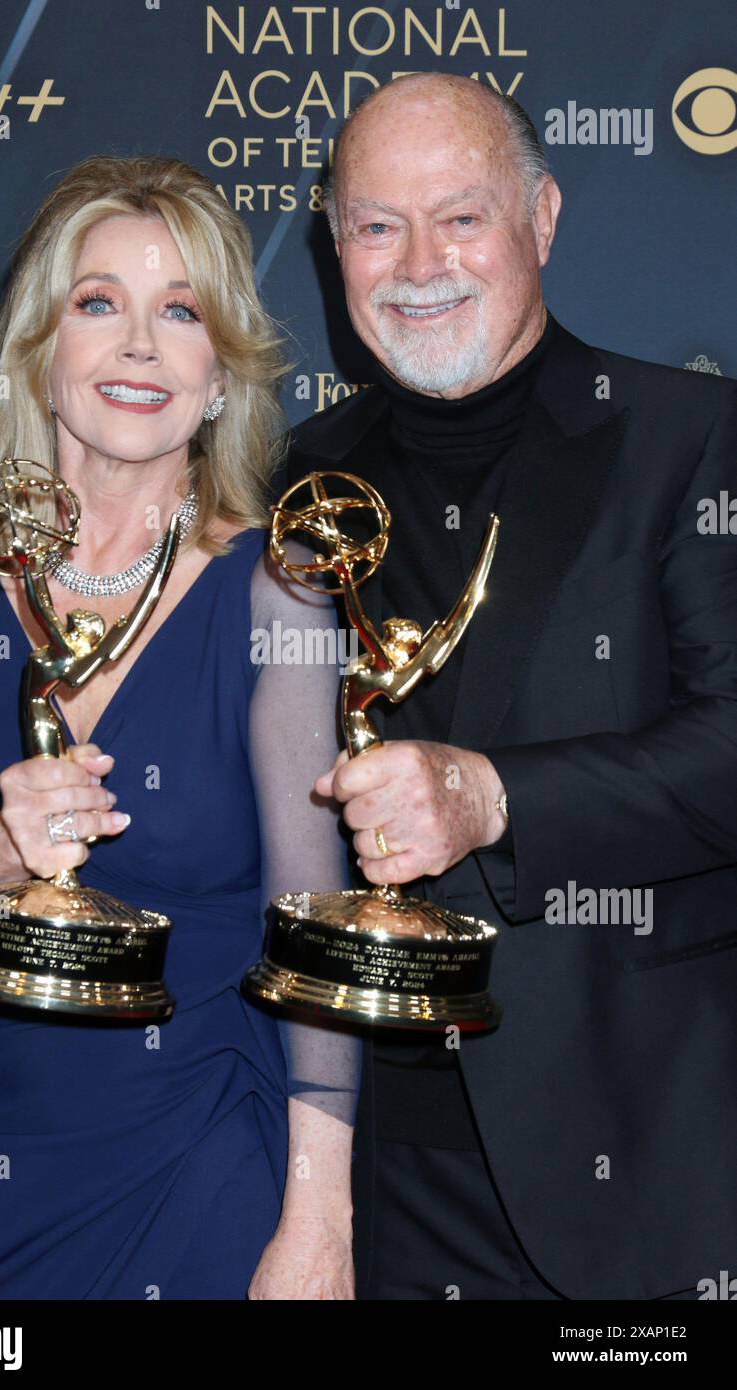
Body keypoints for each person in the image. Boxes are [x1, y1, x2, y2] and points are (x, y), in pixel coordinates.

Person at [0, 154, 359, 1300]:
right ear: (38, 355)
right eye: (99, 303)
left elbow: (312, 929)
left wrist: (317, 1220)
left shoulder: (275, 592)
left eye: (179, 312)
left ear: (219, 375)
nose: (140, 344)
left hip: (207, 1153)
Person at [282, 73, 737, 1300]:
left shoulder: (687, 435)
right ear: (334, 248)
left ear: (539, 218)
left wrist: (495, 797)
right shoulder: (298, 476)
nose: (418, 262)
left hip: (630, 1173)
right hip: (369, 1168)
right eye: (376, 225)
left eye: (460, 216)